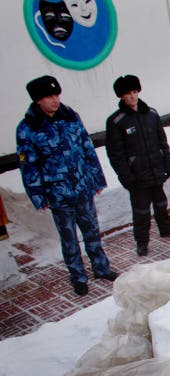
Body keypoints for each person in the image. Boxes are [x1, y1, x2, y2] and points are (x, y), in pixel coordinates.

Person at [17, 75, 117, 296]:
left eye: (56, 95)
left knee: (92, 232)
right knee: (69, 239)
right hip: (58, 195)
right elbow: (28, 166)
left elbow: (87, 148)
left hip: (83, 188)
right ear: (37, 101)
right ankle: (78, 276)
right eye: (49, 97)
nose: (55, 100)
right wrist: (38, 196)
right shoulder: (28, 128)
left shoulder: (71, 117)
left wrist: (97, 179)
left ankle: (101, 268)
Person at [105, 75, 170, 257]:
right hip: (137, 176)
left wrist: (168, 162)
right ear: (121, 97)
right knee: (141, 212)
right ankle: (142, 242)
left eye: (135, 92)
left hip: (156, 169)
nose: (133, 96)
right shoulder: (116, 121)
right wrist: (126, 177)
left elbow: (162, 141)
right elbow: (116, 154)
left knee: (161, 203)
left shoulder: (151, 114)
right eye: (128, 94)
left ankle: (166, 228)